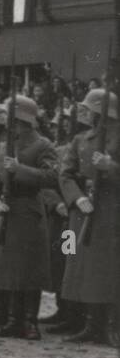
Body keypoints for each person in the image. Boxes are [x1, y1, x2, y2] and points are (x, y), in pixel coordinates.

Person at [0, 96, 58, 340]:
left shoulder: (43, 145)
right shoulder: (1, 146)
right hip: (5, 211)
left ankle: (30, 321)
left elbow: (53, 177)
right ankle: (12, 319)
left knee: (30, 270)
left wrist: (20, 170)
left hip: (29, 210)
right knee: (9, 269)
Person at [57, 87, 119, 344]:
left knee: (108, 271)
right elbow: (65, 173)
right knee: (84, 270)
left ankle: (110, 328)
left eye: (88, 109)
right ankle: (90, 324)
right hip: (83, 210)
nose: (85, 113)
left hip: (111, 211)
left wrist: (112, 167)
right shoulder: (80, 140)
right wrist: (77, 197)